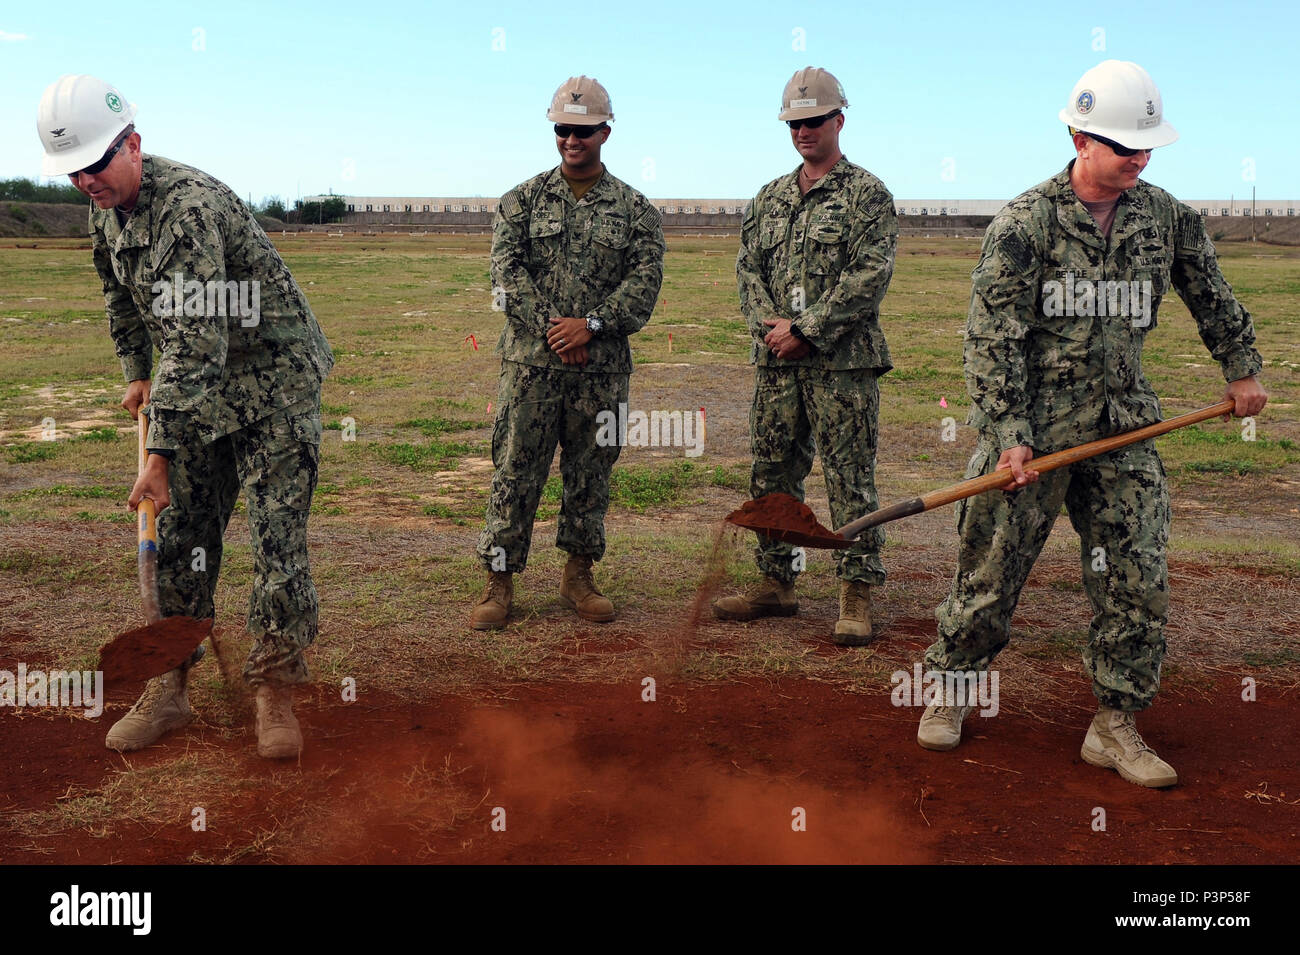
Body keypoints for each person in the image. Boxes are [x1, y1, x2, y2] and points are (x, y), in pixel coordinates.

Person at [916, 61, 1267, 788]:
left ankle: (1115, 721)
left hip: (1124, 424)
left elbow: (1210, 291)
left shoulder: (1165, 216)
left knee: (1138, 574)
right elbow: (992, 336)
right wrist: (1010, 430)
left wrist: (1241, 367)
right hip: (1034, 429)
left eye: (1146, 147)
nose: (1139, 158)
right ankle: (951, 685)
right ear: (1079, 137)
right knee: (991, 568)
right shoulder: (1026, 222)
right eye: (1123, 146)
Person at [37, 75, 334, 758]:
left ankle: (274, 688)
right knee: (180, 538)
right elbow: (118, 294)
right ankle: (168, 686)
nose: (85, 180)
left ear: (133, 144)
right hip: (195, 384)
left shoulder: (188, 211)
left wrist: (159, 455)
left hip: (273, 382)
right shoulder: (105, 202)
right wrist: (136, 372)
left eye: (96, 163)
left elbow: (199, 338)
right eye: (72, 169)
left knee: (276, 541)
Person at [471, 76, 665, 630]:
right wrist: (559, 332)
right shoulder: (521, 202)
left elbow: (643, 284)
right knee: (514, 470)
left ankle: (578, 576)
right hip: (531, 368)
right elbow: (506, 278)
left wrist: (593, 327)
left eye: (582, 131)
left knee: (591, 473)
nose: (571, 140)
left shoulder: (636, 210)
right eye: (562, 130)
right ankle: (499, 582)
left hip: (600, 371)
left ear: (605, 131)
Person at [713, 67, 897, 645]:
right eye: (794, 122)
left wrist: (808, 330)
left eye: (814, 120)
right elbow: (748, 271)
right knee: (772, 472)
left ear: (839, 120)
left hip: (841, 364)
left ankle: (856, 590)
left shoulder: (868, 196)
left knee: (849, 477)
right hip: (777, 365)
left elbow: (869, 276)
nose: (803, 131)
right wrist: (771, 328)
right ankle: (776, 582)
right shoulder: (768, 198)